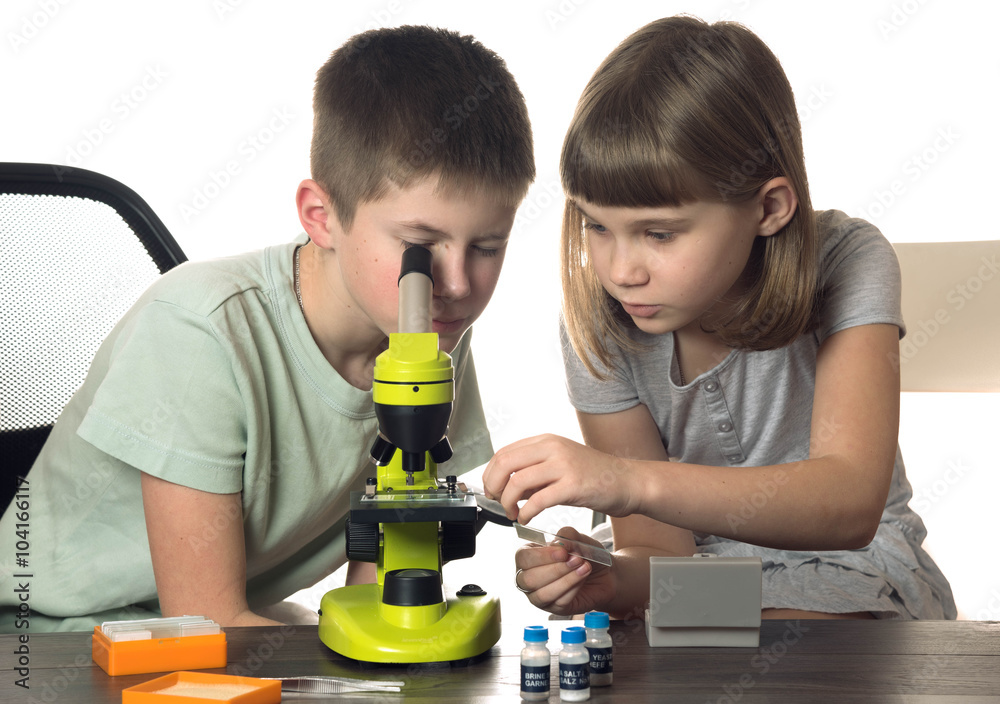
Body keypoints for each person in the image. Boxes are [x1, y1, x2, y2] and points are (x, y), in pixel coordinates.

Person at [0, 25, 534, 632]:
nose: (458, 282)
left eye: (487, 246)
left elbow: (390, 586)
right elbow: (208, 627)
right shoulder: (202, 331)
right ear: (322, 215)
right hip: (55, 636)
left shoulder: (426, 329)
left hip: (230, 619)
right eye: (420, 247)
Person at [482, 16, 955, 621]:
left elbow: (849, 505)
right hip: (699, 581)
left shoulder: (849, 261)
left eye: (658, 233)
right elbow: (655, 551)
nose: (621, 269)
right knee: (658, 650)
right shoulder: (602, 326)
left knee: (765, 652)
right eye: (596, 225)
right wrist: (610, 584)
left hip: (846, 568)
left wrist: (623, 479)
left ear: (768, 208)